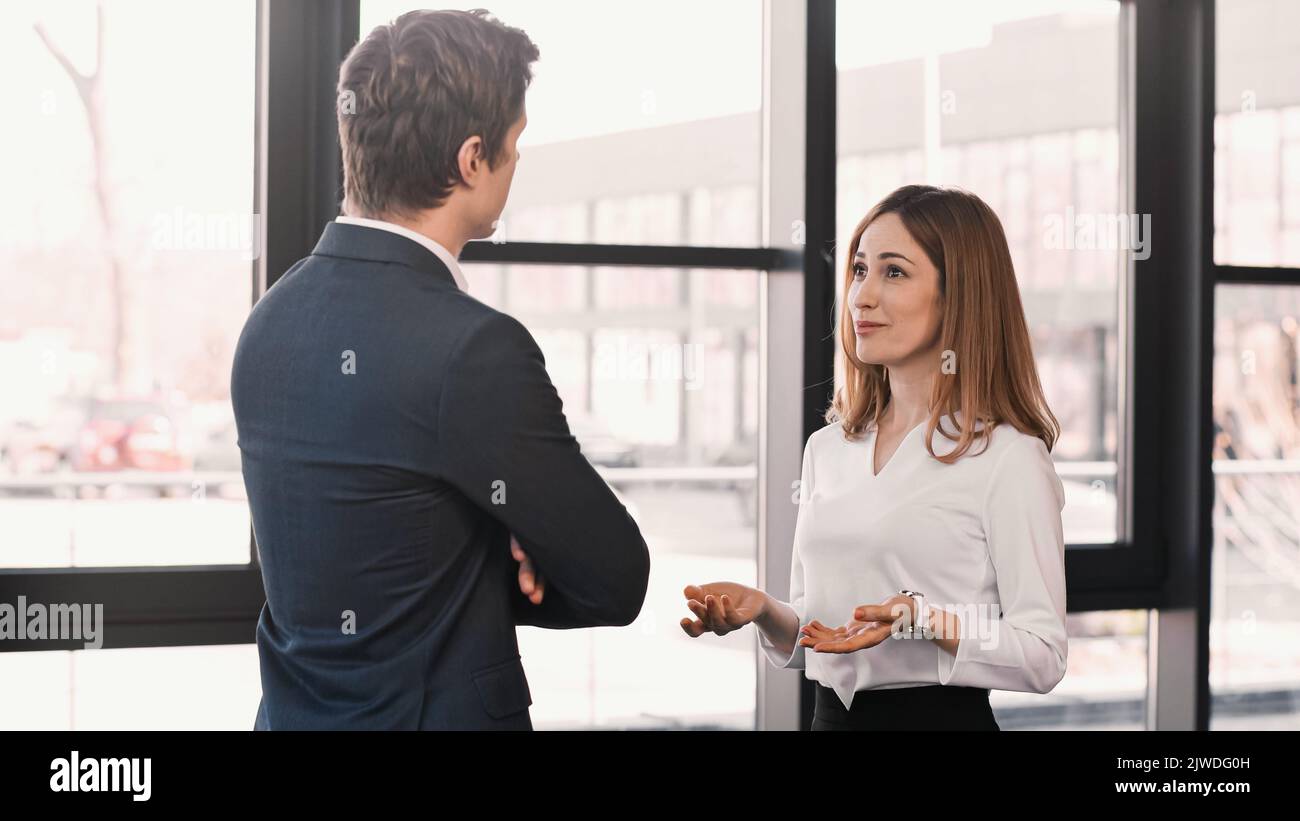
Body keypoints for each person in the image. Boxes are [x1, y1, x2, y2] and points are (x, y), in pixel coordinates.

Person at [231, 9, 650, 730]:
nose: (517, 164)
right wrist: (502, 546)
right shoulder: (473, 351)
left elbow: (358, 549)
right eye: (515, 146)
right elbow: (616, 578)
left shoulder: (269, 322)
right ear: (471, 158)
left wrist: (462, 545)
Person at [680, 185, 1068, 730]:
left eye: (894, 272)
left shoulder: (1008, 459)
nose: (861, 296)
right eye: (860, 270)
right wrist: (767, 614)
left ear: (959, 296)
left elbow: (1043, 653)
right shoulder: (829, 448)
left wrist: (922, 619)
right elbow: (822, 637)